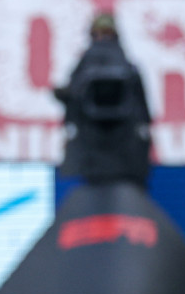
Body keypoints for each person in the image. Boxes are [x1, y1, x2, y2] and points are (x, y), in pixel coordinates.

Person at [55, 12, 152, 189]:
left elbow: (144, 116)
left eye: (107, 34)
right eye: (100, 34)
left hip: (119, 155)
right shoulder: (127, 69)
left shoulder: (127, 70)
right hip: (94, 155)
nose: (103, 41)